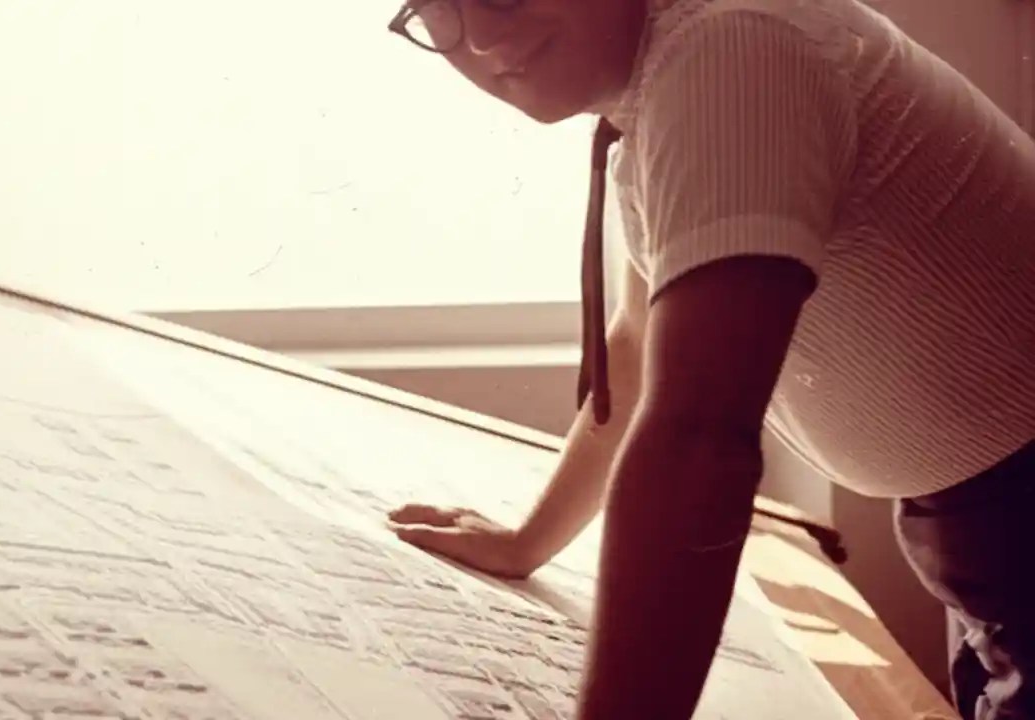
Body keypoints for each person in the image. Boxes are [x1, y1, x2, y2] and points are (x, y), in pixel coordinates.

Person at [381, 0, 1035, 718]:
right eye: (437, 7)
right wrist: (525, 542)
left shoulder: (730, 50)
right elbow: (636, 350)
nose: (481, 36)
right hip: (977, 516)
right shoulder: (656, 81)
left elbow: (698, 441)